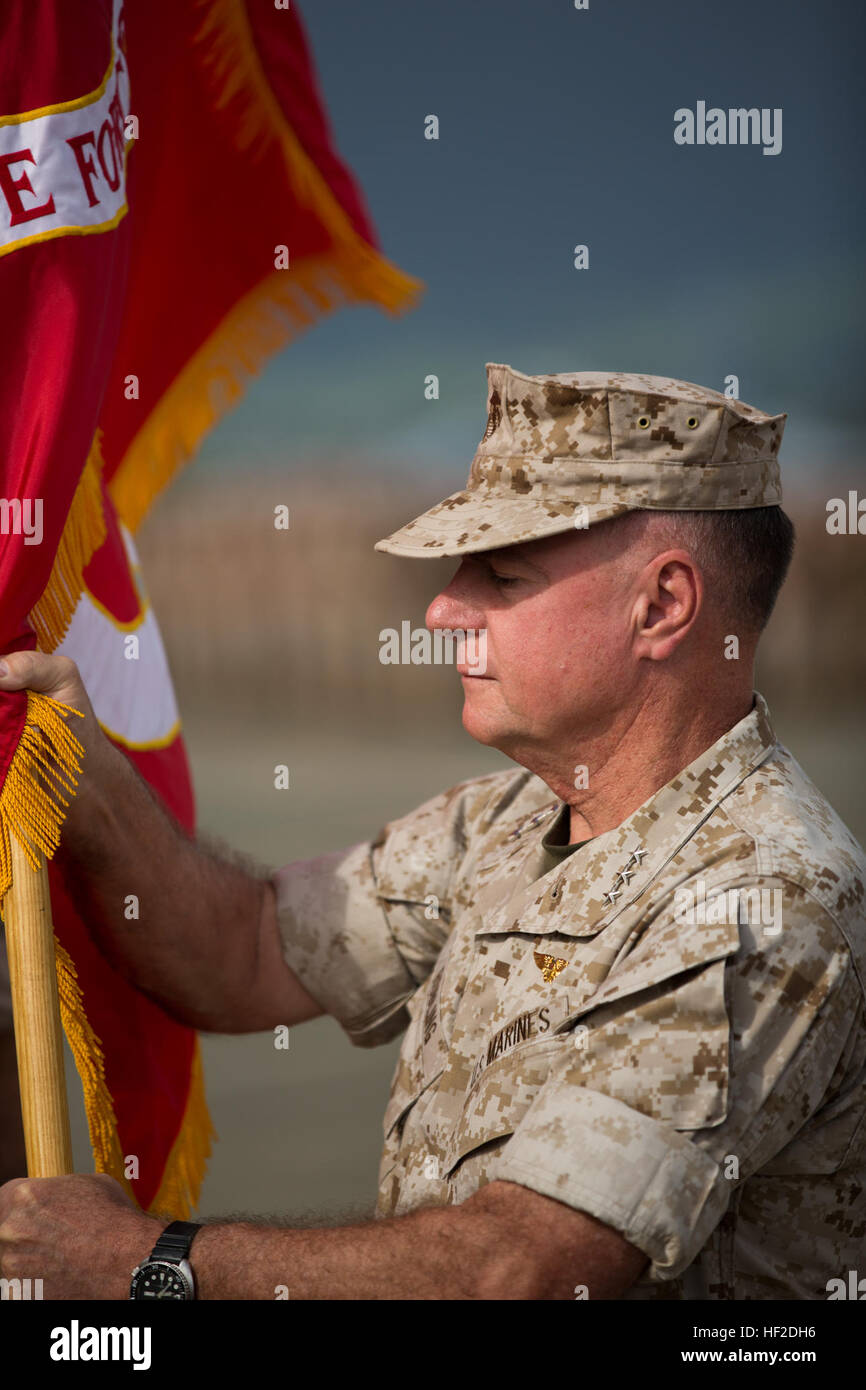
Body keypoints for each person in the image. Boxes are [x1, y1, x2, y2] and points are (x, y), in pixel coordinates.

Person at [1, 364, 864, 1301]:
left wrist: (147, 1261)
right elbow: (243, 949)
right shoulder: (509, 817)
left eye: (501, 574)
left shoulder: (758, 899)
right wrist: (75, 768)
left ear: (661, 606)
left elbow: (521, 1270)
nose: (442, 609)